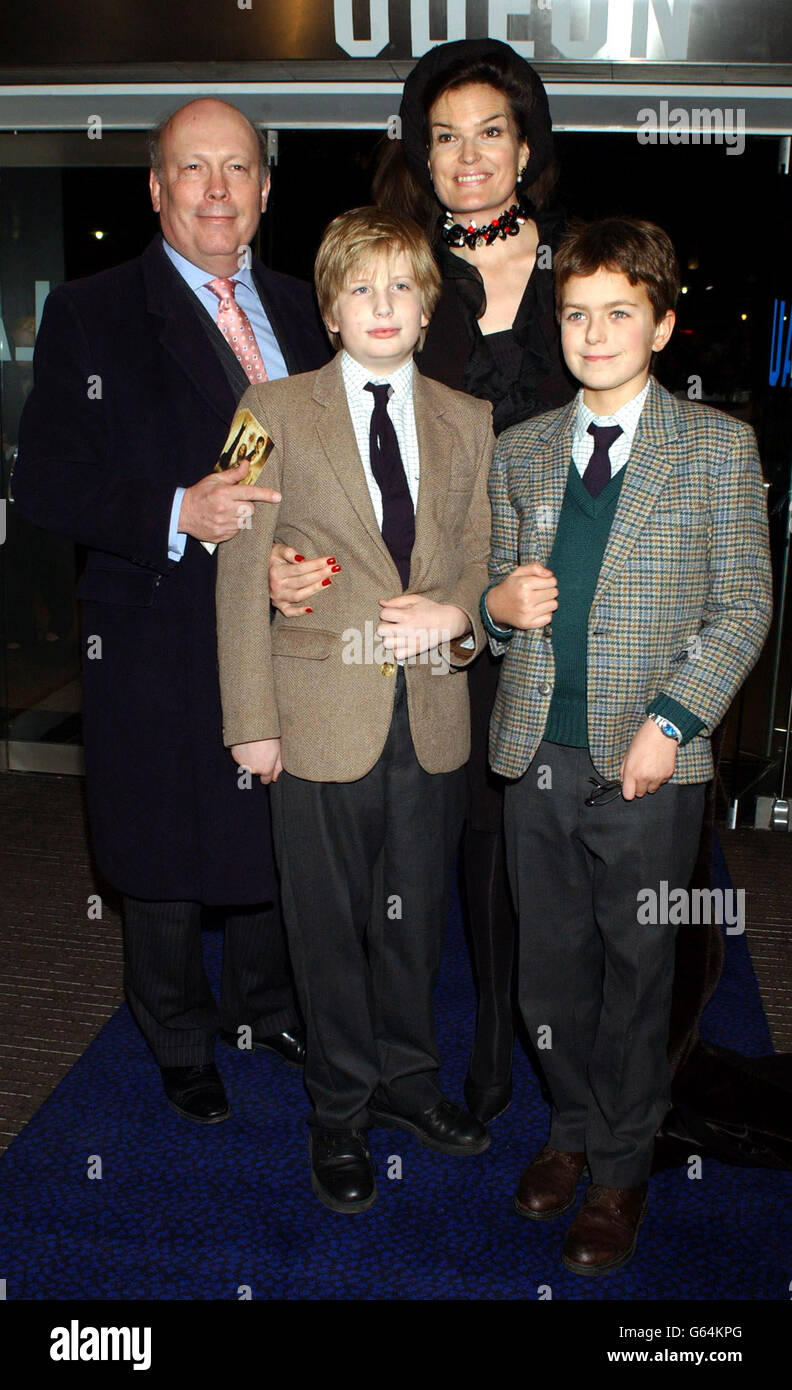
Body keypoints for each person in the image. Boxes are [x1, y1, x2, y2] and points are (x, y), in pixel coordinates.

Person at [269, 39, 575, 1125]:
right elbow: (283, 462)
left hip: (558, 611)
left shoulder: (576, 268)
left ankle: (512, 1061)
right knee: (444, 853)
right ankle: (415, 1074)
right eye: (445, 136)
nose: (469, 155)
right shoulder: (393, 268)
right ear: (421, 154)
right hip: (419, 634)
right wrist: (266, 556)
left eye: (491, 130)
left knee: (537, 852)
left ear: (525, 144)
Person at [13, 98, 330, 1124]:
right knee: (160, 839)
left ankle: (262, 1003)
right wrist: (175, 510)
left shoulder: (306, 303)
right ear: (156, 189)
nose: (217, 190)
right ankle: (178, 1034)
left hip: (291, 619)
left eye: (236, 168)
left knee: (271, 818)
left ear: (266, 187)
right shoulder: (92, 311)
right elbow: (46, 486)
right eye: (193, 170)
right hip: (156, 620)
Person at [484, 217, 772, 1273]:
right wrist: (491, 598)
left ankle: (618, 1169)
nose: (594, 333)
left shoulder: (716, 446)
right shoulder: (519, 453)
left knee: (639, 972)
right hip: (537, 756)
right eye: (575, 314)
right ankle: (568, 1128)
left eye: (618, 313)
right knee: (549, 977)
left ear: (661, 324)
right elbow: (483, 613)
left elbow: (743, 606)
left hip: (653, 759)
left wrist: (674, 722)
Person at [215, 207, 494, 1213]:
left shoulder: (471, 420)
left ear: (426, 311)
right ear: (330, 308)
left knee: (415, 921)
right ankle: (337, 1107)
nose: (383, 306)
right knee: (326, 926)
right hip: (315, 709)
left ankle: (408, 1083)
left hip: (430, 715)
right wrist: (251, 716)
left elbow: (476, 556)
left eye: (402, 289)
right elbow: (239, 569)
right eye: (360, 288)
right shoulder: (266, 406)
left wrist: (457, 613)